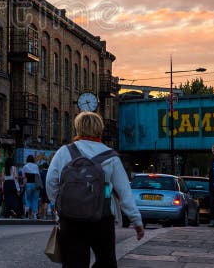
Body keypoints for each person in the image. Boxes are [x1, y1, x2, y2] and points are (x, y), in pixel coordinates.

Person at [47, 112, 144, 268]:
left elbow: (51, 182)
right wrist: (136, 221)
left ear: (78, 128)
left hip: (70, 218)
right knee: (106, 262)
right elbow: (124, 192)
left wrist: (60, 206)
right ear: (100, 129)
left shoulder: (64, 152)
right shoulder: (111, 157)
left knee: (73, 263)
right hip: (102, 218)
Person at [22, 155, 41, 219]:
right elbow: (38, 176)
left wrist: (23, 184)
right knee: (35, 199)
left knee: (28, 198)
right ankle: (35, 214)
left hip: (28, 184)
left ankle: (27, 210)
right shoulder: (36, 166)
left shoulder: (25, 166)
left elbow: (24, 177)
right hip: (35, 184)